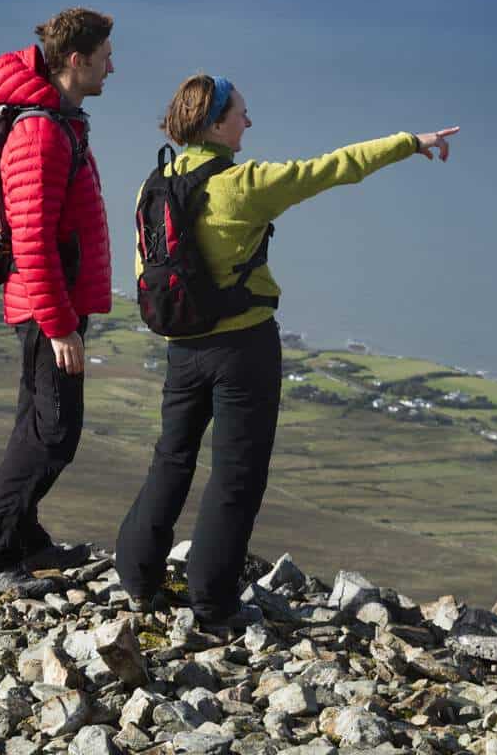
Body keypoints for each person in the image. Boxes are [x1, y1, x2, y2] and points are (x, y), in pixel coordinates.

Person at [115, 73, 457, 629]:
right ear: (216, 123)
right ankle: (212, 602)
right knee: (236, 475)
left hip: (181, 347)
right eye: (241, 114)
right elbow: (333, 168)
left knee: (171, 458)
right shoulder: (243, 184)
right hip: (242, 348)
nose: (248, 122)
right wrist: (409, 142)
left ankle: (136, 576)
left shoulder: (154, 182)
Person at [0, 7, 116, 592]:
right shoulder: (41, 132)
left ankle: (25, 538)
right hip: (44, 308)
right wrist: (59, 326)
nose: (113, 66)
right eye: (106, 55)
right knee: (54, 433)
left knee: (36, 423)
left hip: (50, 303)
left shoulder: (59, 121)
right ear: (76, 61)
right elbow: (31, 236)